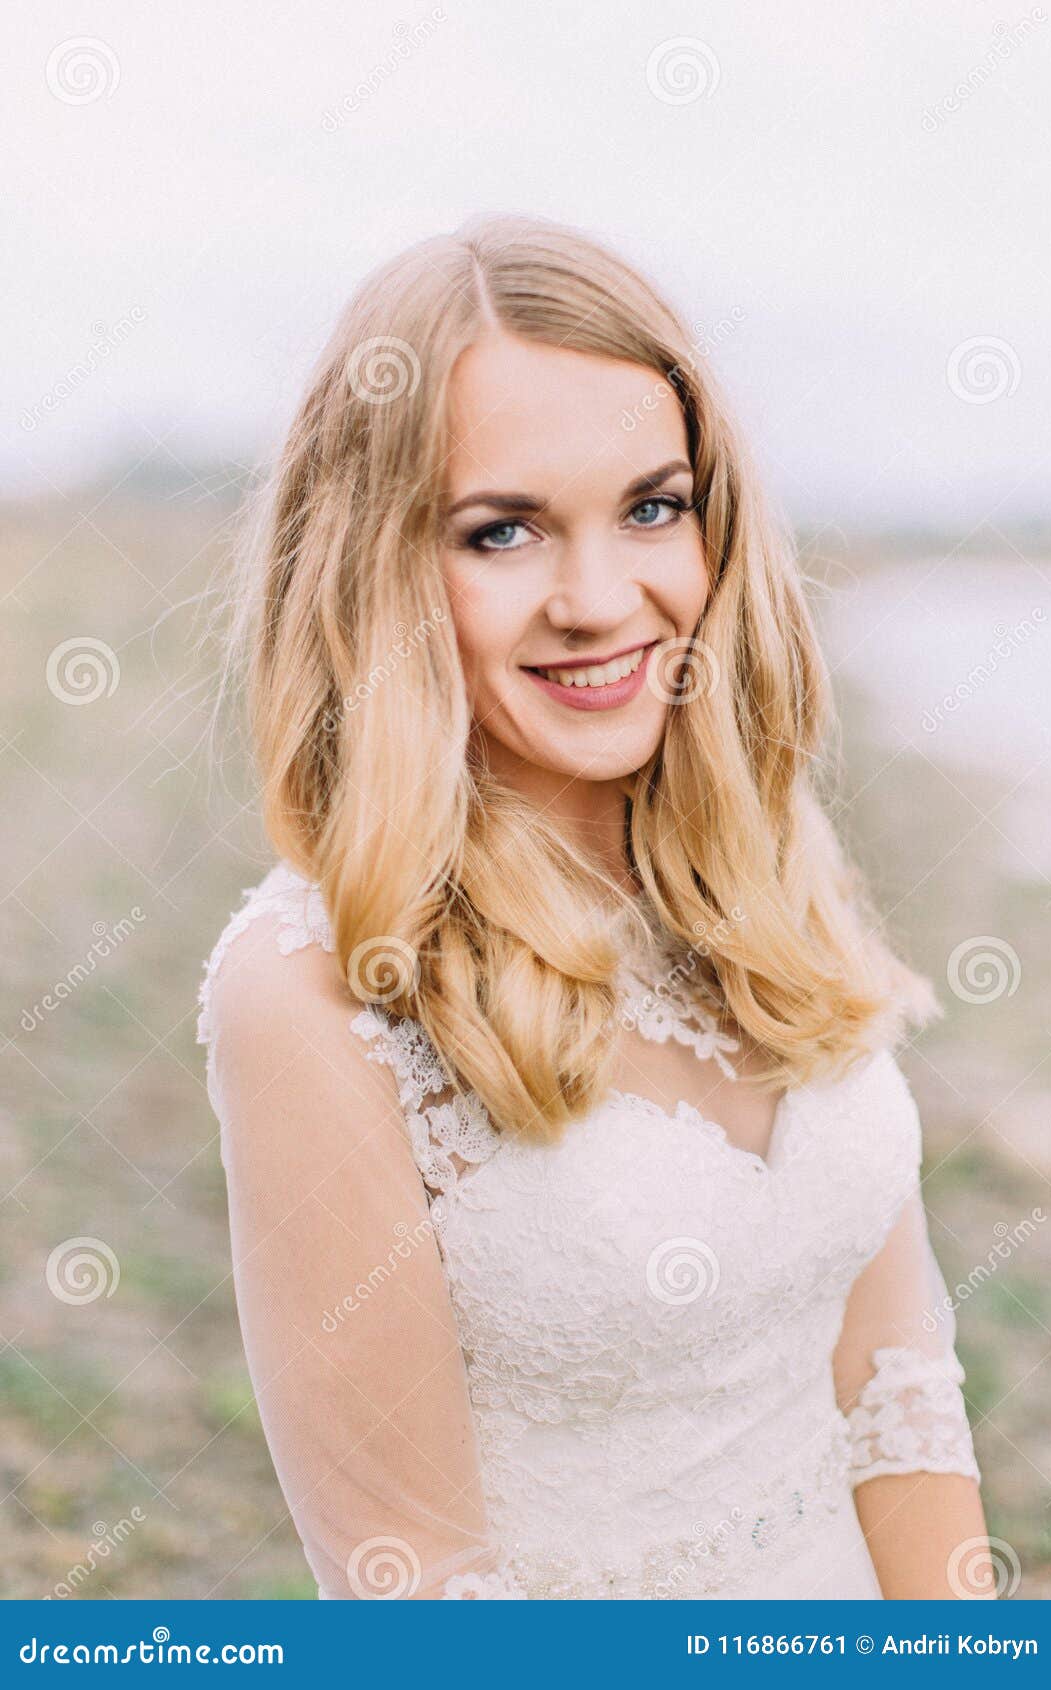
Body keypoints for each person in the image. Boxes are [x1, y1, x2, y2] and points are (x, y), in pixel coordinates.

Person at [197, 214, 988, 1600]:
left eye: (652, 507)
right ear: (377, 571)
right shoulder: (312, 988)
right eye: (502, 531)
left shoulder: (765, 865)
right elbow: (422, 1588)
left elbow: (897, 1393)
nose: (598, 598)